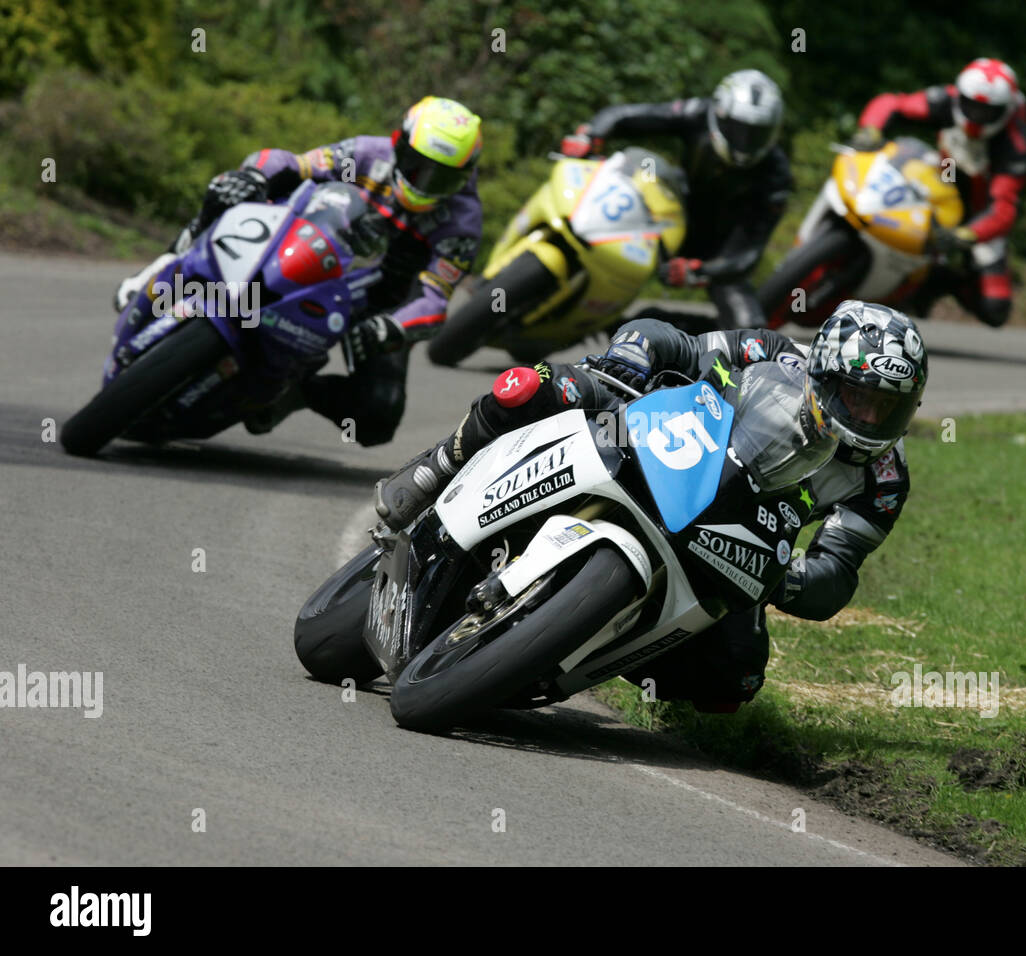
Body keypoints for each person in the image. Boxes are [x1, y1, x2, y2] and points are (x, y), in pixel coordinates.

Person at [374, 300, 927, 711]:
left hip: (738, 537)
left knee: (733, 683)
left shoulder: (884, 479)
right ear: (824, 374)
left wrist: (791, 580)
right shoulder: (775, 355)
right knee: (535, 385)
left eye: (887, 407)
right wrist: (631, 357)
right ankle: (436, 468)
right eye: (859, 397)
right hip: (664, 446)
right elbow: (670, 340)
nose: (869, 418)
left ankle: (574, 648)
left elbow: (838, 568)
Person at [113, 96, 484, 446]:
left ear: (466, 175)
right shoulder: (367, 154)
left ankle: (294, 392)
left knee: (378, 416)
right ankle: (165, 264)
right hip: (305, 247)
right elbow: (292, 164)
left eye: (444, 178)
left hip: (376, 304)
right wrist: (254, 175)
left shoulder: (464, 222)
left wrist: (392, 327)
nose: (426, 183)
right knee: (226, 191)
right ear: (399, 144)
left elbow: (435, 299)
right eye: (419, 167)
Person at [557, 69, 792, 331]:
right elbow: (626, 115)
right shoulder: (697, 112)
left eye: (756, 133)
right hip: (668, 212)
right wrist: (591, 135)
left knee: (751, 331)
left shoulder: (776, 174)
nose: (745, 141)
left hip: (716, 249)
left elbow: (748, 251)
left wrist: (702, 270)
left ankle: (649, 329)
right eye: (739, 129)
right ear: (720, 112)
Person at [853, 58, 1026, 328]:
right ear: (960, 95)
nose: (977, 115)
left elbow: (1004, 207)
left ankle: (935, 283)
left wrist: (965, 235)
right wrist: (870, 129)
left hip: (980, 212)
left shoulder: (1014, 144)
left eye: (987, 111)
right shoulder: (946, 99)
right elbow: (891, 104)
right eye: (972, 106)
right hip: (940, 179)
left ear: (1005, 109)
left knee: (995, 308)